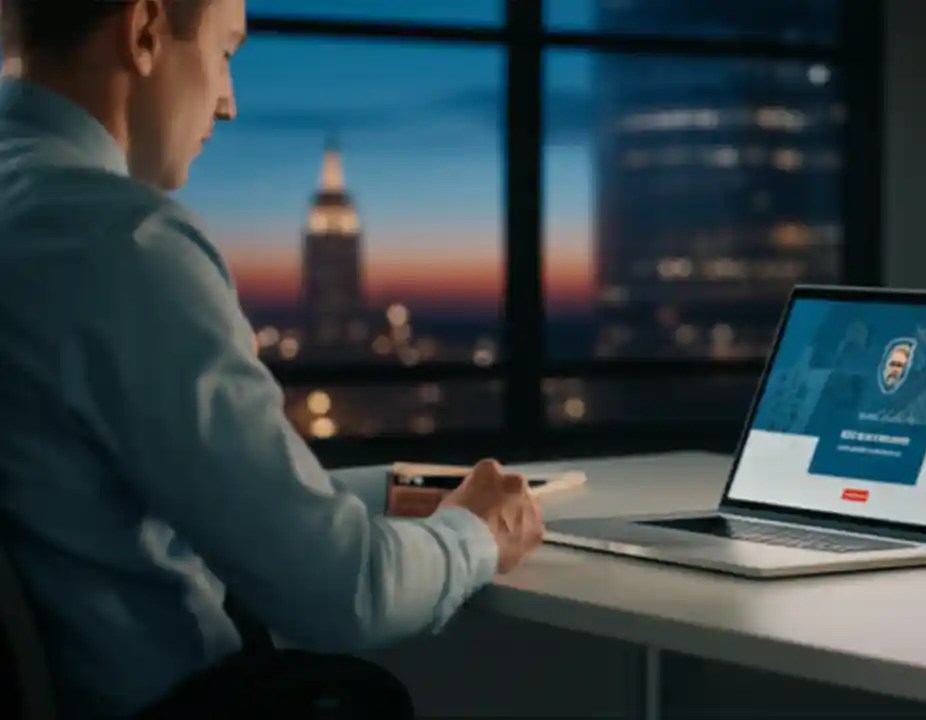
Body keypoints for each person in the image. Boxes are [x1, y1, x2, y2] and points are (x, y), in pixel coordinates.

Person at [0, 0, 545, 716]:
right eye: (226, 53)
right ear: (143, 32)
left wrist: (393, 492)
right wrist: (475, 533)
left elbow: (121, 491)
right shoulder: (122, 243)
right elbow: (346, 593)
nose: (228, 103)